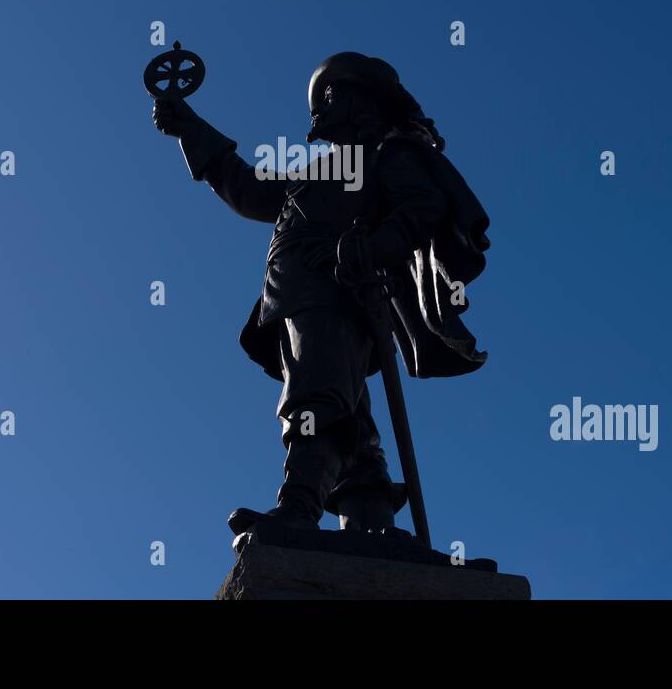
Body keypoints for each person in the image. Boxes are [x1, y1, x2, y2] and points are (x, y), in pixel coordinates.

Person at [152, 52, 489, 535]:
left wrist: (368, 249)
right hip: (292, 298)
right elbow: (248, 190)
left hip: (338, 296)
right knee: (349, 413)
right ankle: (369, 521)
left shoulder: (387, 155)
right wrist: (190, 127)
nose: (318, 106)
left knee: (317, 398)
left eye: (330, 95)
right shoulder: (319, 170)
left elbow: (424, 206)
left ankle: (298, 510)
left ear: (363, 105)